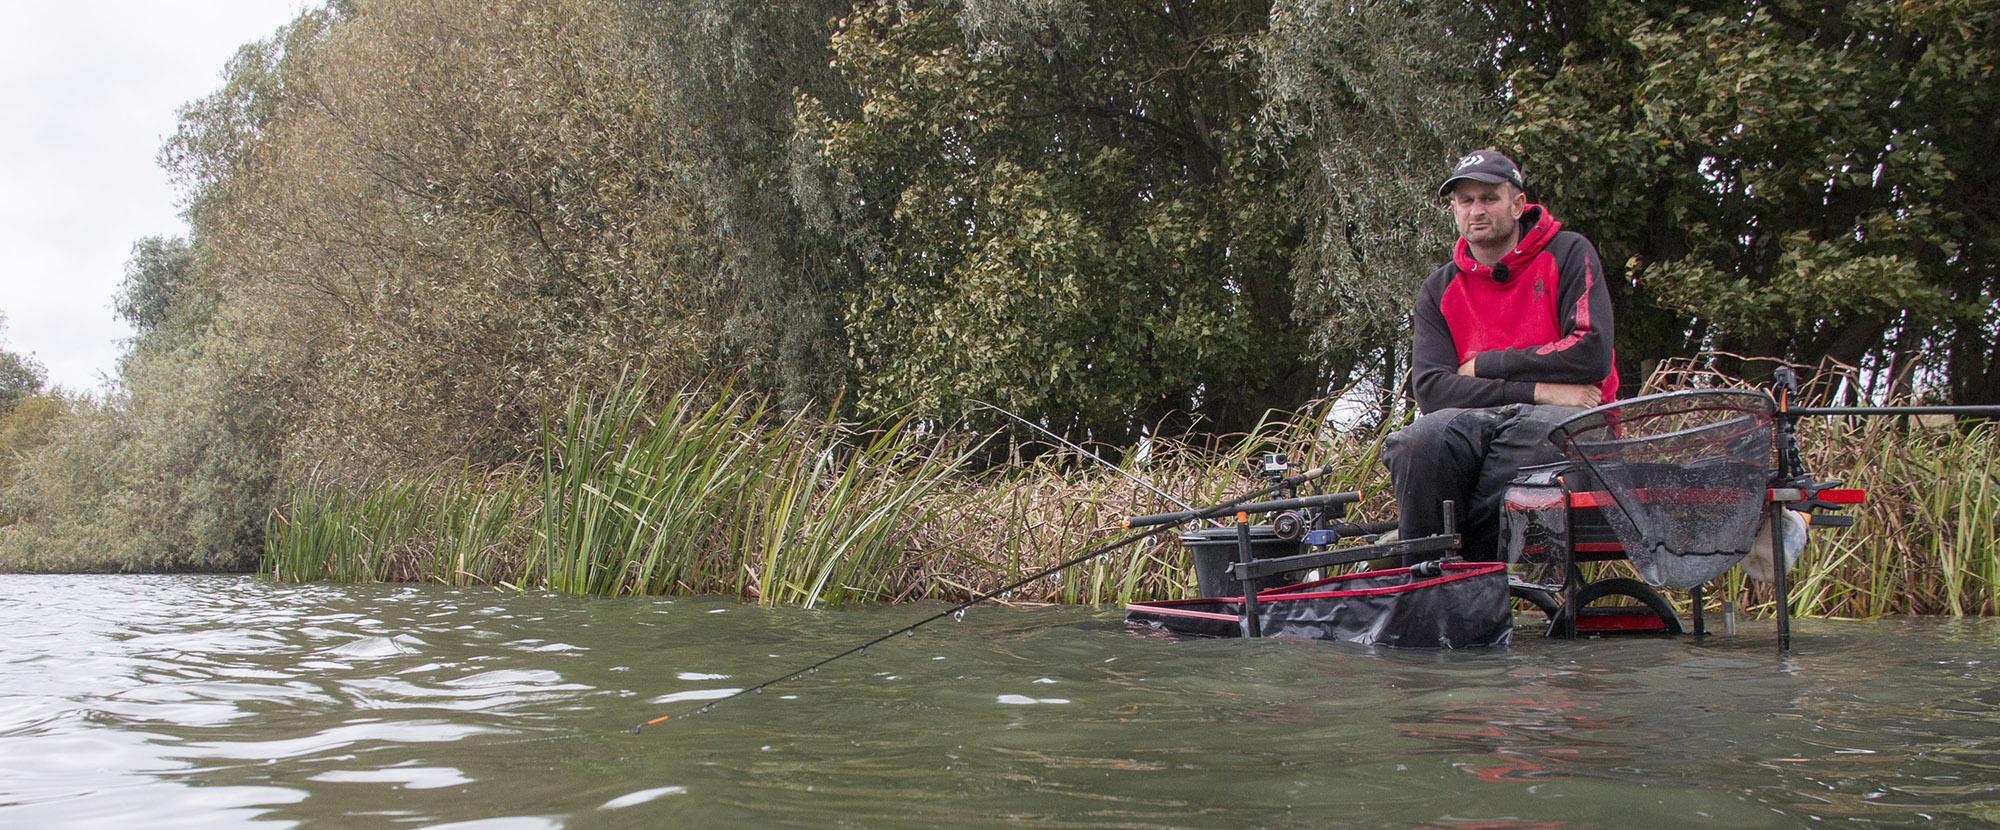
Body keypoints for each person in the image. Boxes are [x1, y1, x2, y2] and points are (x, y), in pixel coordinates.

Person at [1383, 150, 1619, 561]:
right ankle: (1422, 583)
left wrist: (1485, 365)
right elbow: (1434, 391)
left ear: (1518, 204)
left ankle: (1464, 571)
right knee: (1418, 442)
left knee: (1532, 438)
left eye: (1489, 198)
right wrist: (1540, 389)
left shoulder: (1567, 253)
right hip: (1500, 417)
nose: (1477, 210)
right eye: (1465, 200)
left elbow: (1590, 352)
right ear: (1454, 209)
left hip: (1575, 425)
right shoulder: (1438, 289)